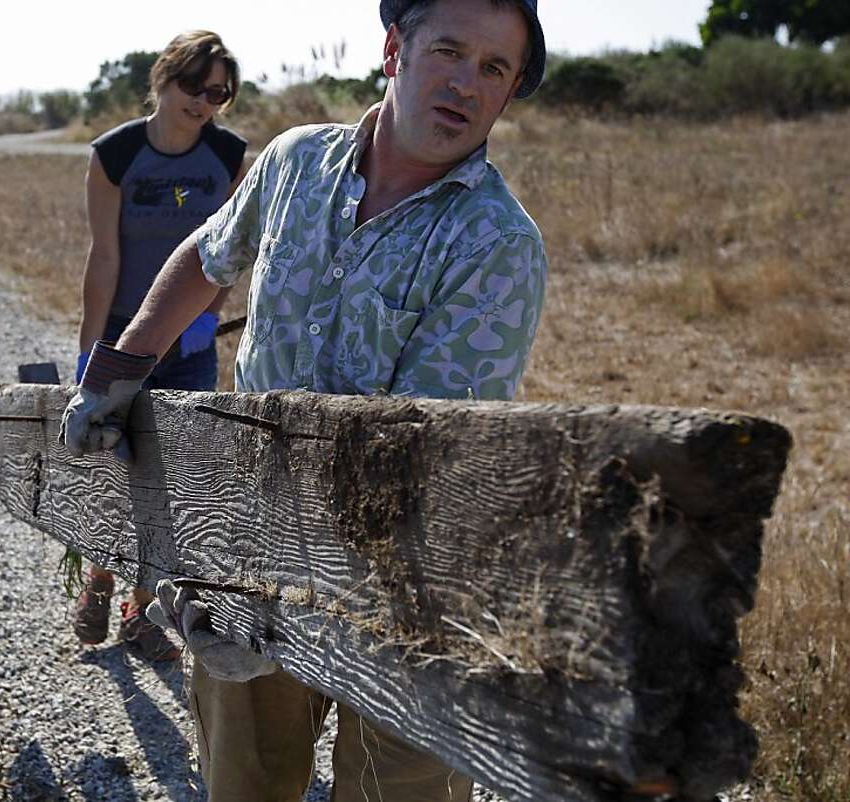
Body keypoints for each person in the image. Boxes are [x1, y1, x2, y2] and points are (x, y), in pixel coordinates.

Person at [62, 0, 547, 798]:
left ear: (510, 89)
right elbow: (209, 254)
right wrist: (123, 367)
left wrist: (273, 597)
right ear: (395, 49)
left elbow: (406, 462)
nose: (466, 83)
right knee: (244, 784)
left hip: (409, 601)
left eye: (495, 68)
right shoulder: (293, 164)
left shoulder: (497, 244)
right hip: (254, 554)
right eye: (449, 51)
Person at [70, 30, 248, 662]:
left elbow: (227, 252)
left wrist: (208, 317)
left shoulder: (229, 155)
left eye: (219, 92)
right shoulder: (115, 155)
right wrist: (94, 351)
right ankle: (97, 576)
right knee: (109, 466)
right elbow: (105, 255)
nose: (204, 101)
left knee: (173, 477)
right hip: (123, 336)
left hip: (192, 344)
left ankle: (139, 612)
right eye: (193, 85)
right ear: (164, 79)